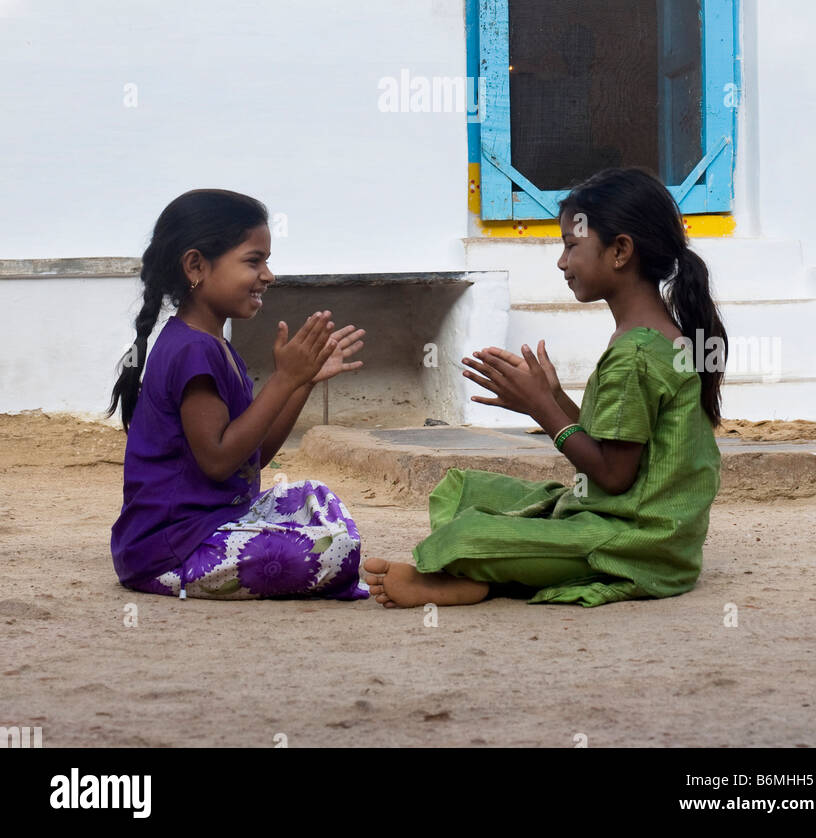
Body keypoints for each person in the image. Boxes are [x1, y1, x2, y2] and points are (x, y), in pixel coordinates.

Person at [365, 166, 725, 609]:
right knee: (461, 488)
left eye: (571, 246)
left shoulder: (635, 355)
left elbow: (613, 477)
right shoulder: (655, 339)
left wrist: (543, 411)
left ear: (620, 251)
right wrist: (552, 397)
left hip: (632, 542)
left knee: (470, 535)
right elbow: (619, 448)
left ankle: (459, 575)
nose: (562, 262)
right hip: (635, 525)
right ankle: (491, 571)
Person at [109, 189, 369, 601]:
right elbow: (217, 461)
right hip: (171, 550)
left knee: (313, 496)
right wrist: (284, 379)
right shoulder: (191, 350)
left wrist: (302, 381)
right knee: (331, 547)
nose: (268, 275)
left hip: (215, 524)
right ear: (196, 265)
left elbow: (254, 455)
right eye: (254, 260)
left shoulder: (216, 346)